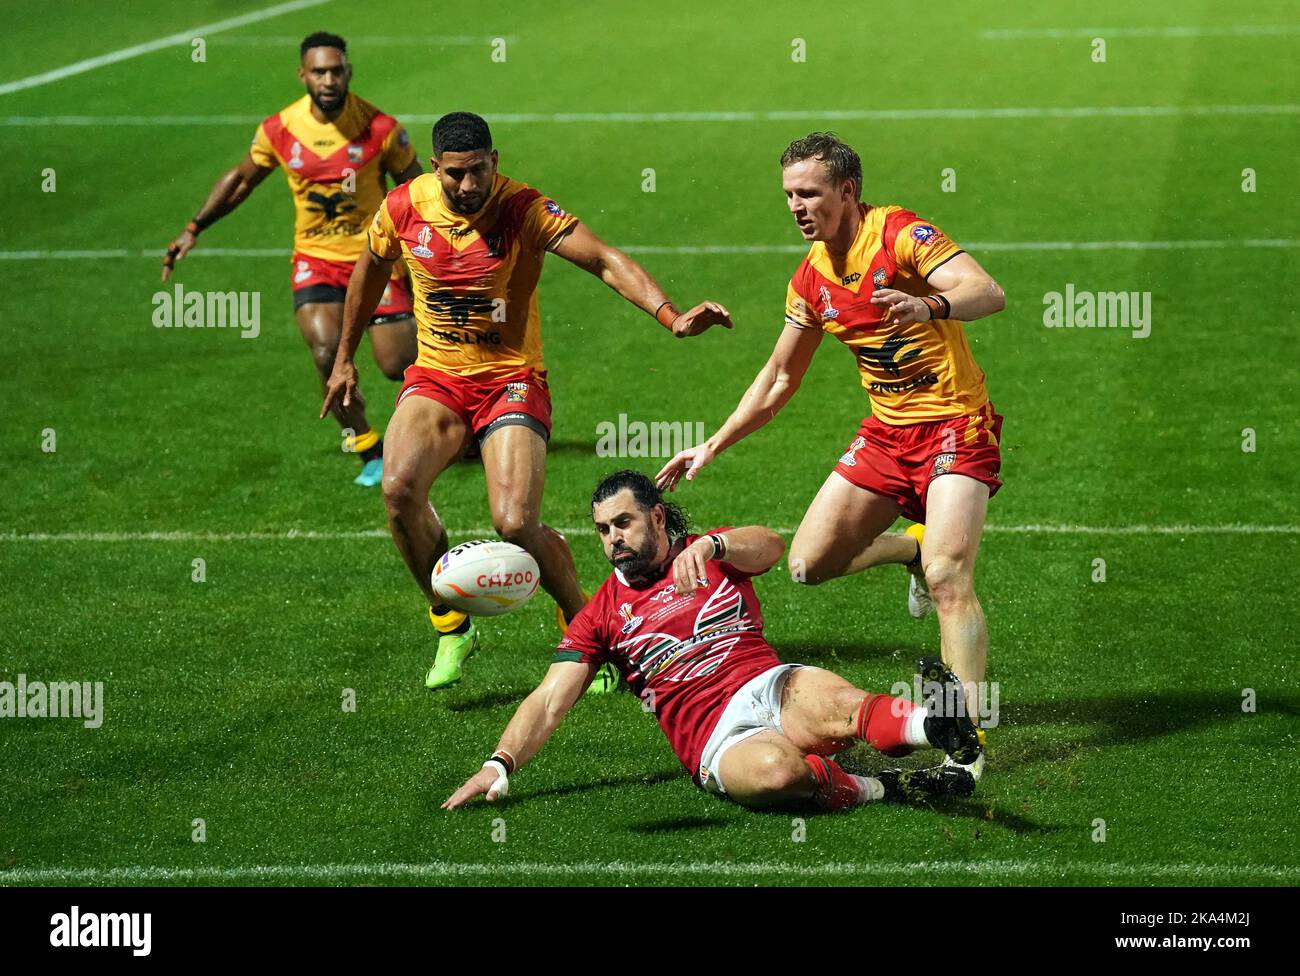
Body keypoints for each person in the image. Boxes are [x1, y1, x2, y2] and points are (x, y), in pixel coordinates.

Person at [323, 113, 734, 689]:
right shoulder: (402, 207)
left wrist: (671, 316)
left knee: (514, 522)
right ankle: (450, 621)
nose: (470, 187)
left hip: (511, 379)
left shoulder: (524, 209)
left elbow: (603, 259)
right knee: (397, 491)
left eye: (481, 171)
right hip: (438, 377)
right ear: (436, 168)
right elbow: (368, 270)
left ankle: (585, 623)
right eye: (457, 175)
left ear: (496, 159)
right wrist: (345, 358)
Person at [657, 133, 1006, 777]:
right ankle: (910, 547)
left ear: (847, 191)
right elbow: (780, 379)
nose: (796, 206)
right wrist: (712, 443)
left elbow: (986, 290)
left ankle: (966, 743)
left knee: (951, 580)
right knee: (807, 564)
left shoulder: (899, 233)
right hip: (886, 435)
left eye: (809, 193)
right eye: (789, 194)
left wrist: (928, 303)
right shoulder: (811, 277)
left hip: (956, 426)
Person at [442, 470, 982, 811]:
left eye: (624, 523)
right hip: (714, 737)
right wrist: (499, 763)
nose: (613, 540)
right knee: (778, 775)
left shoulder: (707, 553)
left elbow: (771, 547)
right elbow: (549, 700)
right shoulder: (603, 613)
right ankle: (884, 786)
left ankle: (940, 725)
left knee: (840, 702)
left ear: (656, 516)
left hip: (771, 684)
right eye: (603, 530)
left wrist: (717, 546)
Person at [162, 31, 421, 487]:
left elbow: (416, 190)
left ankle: (448, 428)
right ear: (303, 74)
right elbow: (241, 180)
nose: (328, 79)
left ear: (348, 72)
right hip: (316, 261)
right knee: (325, 351)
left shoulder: (380, 128)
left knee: (397, 364)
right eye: (319, 71)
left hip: (375, 259)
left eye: (336, 70)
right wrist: (193, 227)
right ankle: (367, 447)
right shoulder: (279, 130)